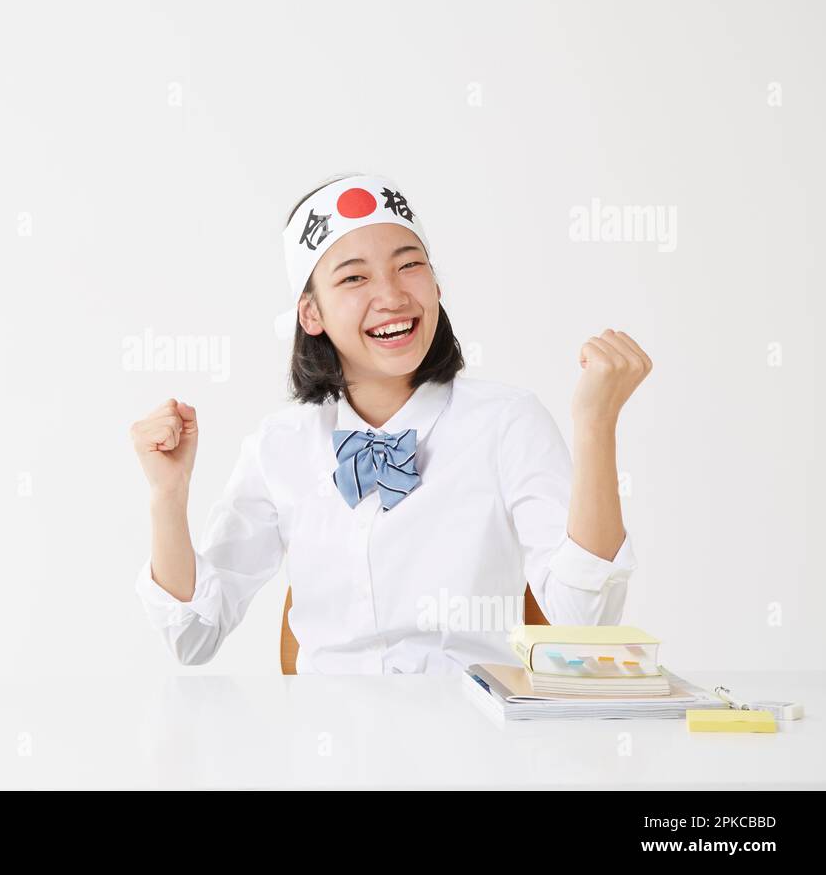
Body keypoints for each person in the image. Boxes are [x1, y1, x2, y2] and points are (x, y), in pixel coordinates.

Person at [130, 172, 652, 673]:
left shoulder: (507, 422)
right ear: (311, 314)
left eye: (409, 266)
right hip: (323, 746)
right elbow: (193, 637)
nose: (393, 296)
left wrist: (595, 425)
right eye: (355, 277)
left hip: (474, 746)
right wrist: (167, 497)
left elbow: (585, 623)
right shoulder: (279, 446)